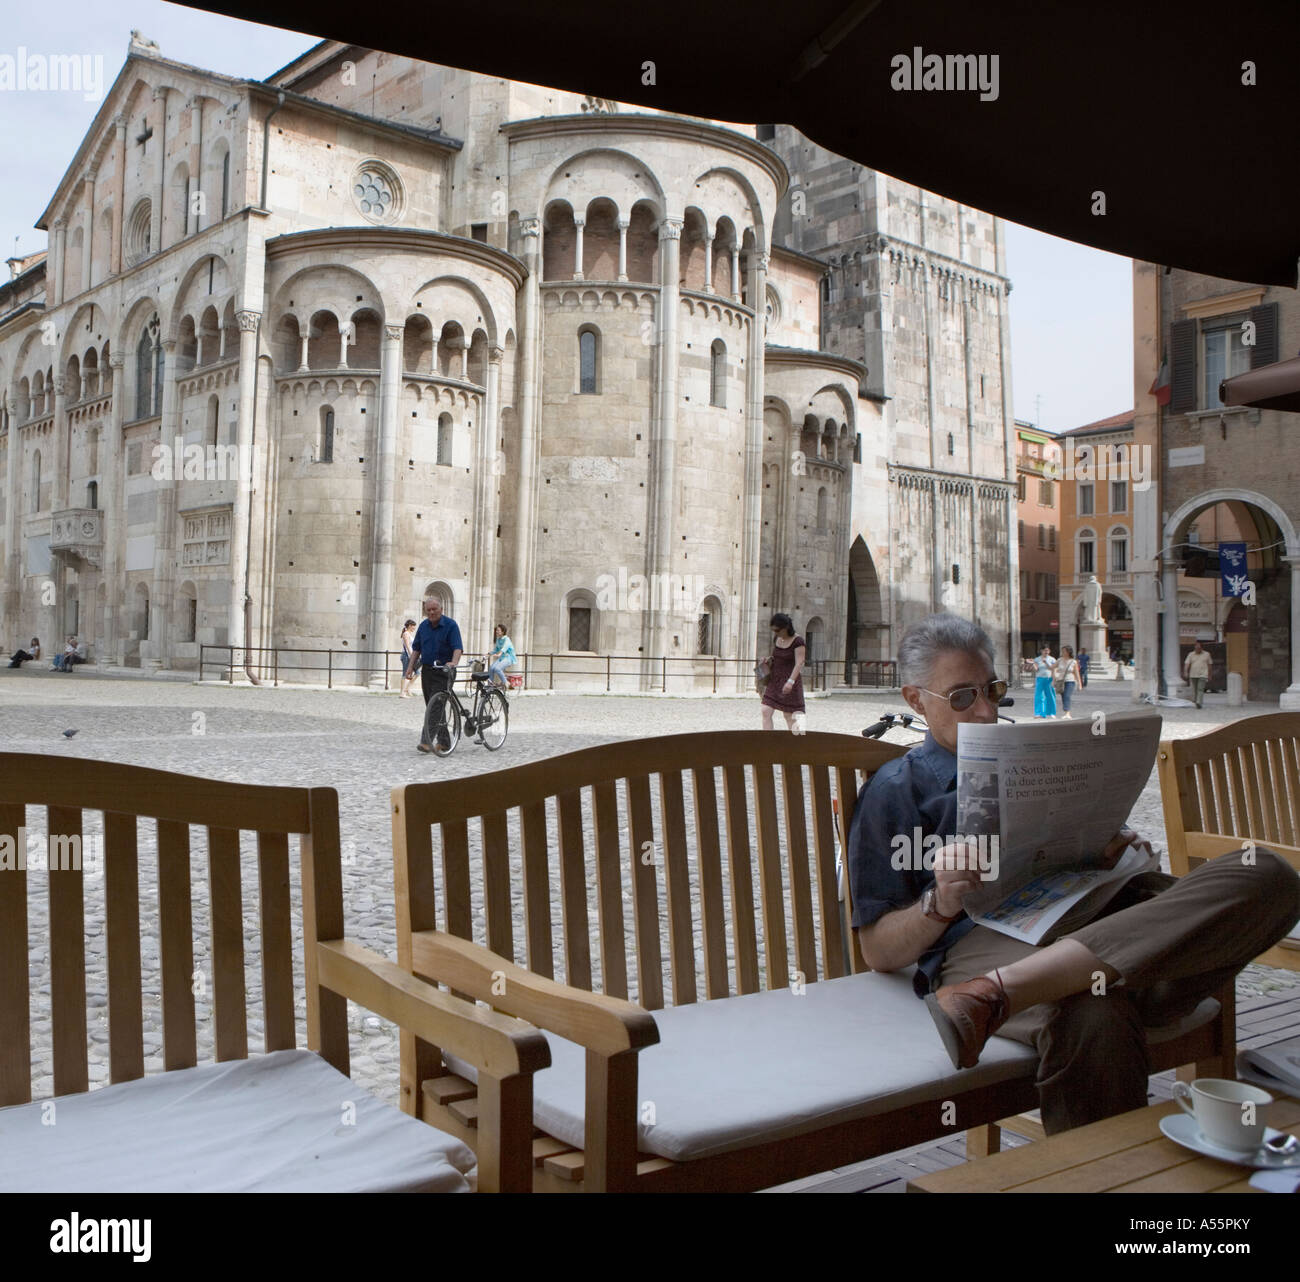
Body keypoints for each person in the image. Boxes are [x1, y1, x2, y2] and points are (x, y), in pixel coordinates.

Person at [847, 612, 1300, 1135]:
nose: (987, 710)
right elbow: (878, 950)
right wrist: (939, 903)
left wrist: (1105, 848)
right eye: (962, 697)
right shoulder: (898, 790)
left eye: (993, 689)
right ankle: (1105, 1167)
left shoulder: (1037, 757)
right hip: (986, 939)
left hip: (1099, 915)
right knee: (1094, 1013)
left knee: (1267, 873)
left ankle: (998, 994)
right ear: (915, 700)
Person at [405, 596, 463, 753]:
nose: (431, 612)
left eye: (434, 609)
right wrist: (410, 667)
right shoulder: (423, 626)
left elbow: (457, 647)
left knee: (436, 705)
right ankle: (444, 742)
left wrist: (453, 662)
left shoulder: (451, 625)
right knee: (434, 705)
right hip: (428, 670)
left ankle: (426, 741)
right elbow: (416, 649)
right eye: (428, 610)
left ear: (441, 610)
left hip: (444, 671)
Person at [760, 613, 806, 733]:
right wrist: (767, 660)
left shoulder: (798, 641)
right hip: (775, 680)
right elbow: (777, 656)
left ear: (785, 627)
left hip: (790, 680)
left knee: (790, 716)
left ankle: (798, 742)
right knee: (765, 710)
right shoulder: (777, 638)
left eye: (777, 630)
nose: (775, 633)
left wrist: (790, 682)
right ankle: (768, 741)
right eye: (773, 630)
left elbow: (799, 663)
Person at [1021, 644, 1056, 718]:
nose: (1046, 652)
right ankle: (1039, 713)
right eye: (1044, 650)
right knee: (1039, 696)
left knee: (1050, 696)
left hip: (1049, 679)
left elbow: (1053, 669)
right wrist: (1033, 663)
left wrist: (1054, 680)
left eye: (1047, 650)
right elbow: (1036, 669)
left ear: (1049, 651)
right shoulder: (1037, 659)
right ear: (1041, 651)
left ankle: (1051, 712)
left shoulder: (1052, 659)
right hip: (1040, 679)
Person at [486, 623, 516, 690]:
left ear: (502, 632)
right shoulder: (498, 639)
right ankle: (490, 685)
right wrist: (489, 653)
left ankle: (506, 683)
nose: (496, 631)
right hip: (502, 658)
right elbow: (496, 650)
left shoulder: (507, 639)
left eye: (498, 630)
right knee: (491, 668)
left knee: (497, 669)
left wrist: (499, 654)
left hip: (508, 658)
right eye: (496, 630)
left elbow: (504, 648)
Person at [1183, 640, 1211, 709]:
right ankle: (1196, 701)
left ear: (1201, 648)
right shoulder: (1191, 654)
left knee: (1200, 689)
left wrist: (1209, 674)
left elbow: (1209, 665)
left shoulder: (1207, 654)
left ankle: (1199, 702)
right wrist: (1186, 672)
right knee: (1195, 689)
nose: (1197, 649)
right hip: (1193, 674)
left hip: (1203, 674)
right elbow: (1187, 664)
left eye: (1198, 648)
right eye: (1196, 648)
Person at [1056, 645, 1079, 719]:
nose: (1062, 652)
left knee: (1067, 696)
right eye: (1062, 651)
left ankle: (1067, 713)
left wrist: (1079, 683)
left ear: (1068, 652)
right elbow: (1053, 667)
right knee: (1063, 696)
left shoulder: (1073, 661)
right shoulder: (1059, 660)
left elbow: (1076, 673)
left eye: (1064, 651)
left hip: (1070, 681)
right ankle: (1066, 712)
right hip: (1061, 681)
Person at [398, 620, 418, 697]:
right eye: (413, 626)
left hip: (409, 655)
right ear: (409, 626)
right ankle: (402, 693)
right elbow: (407, 646)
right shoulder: (406, 634)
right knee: (405, 673)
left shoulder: (409, 634)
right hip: (406, 655)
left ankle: (407, 689)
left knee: (417, 673)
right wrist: (412, 656)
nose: (414, 628)